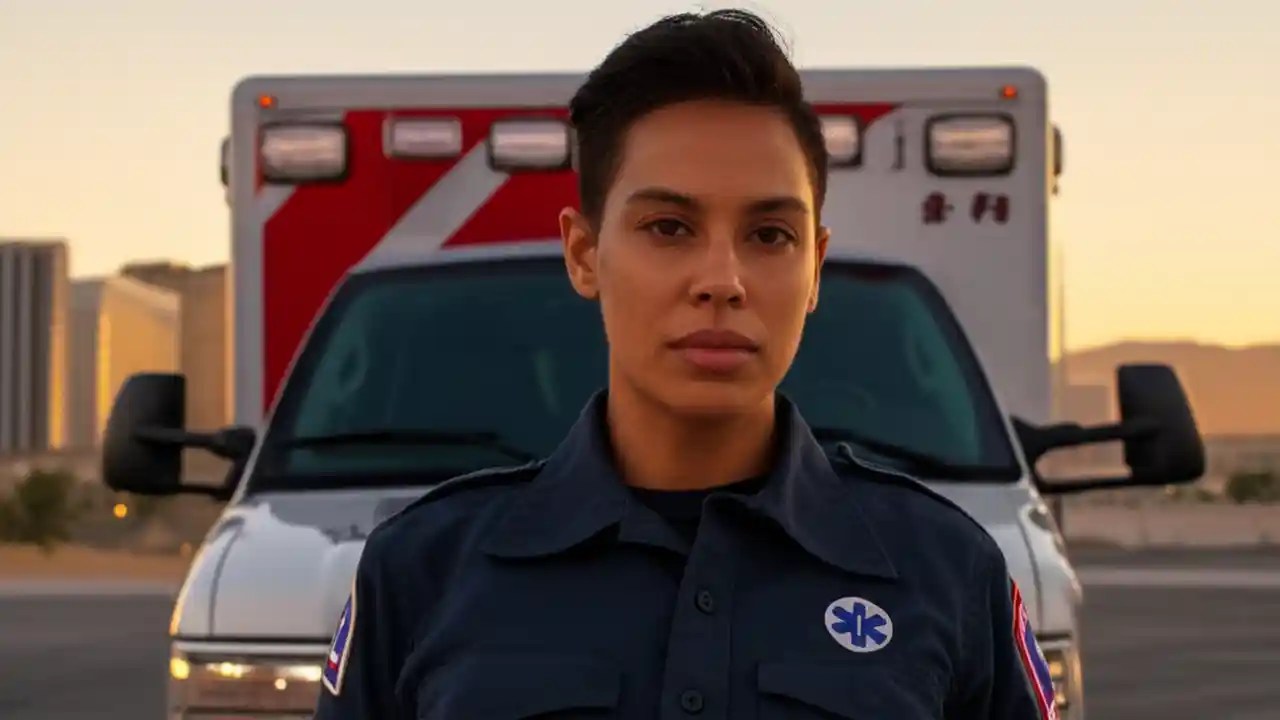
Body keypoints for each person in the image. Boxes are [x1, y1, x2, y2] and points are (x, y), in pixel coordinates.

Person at [313, 8, 1058, 720]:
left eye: (770, 236)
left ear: (815, 270)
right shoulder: (422, 572)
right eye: (669, 227)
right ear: (583, 254)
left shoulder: (948, 571)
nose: (722, 279)